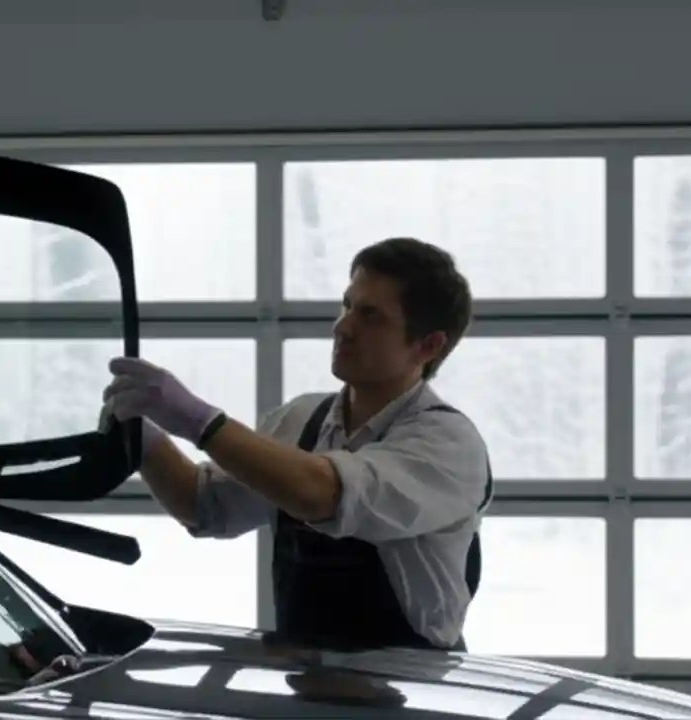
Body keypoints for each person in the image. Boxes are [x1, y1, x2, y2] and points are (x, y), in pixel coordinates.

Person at [101, 237, 492, 651]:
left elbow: (323, 493)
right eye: (346, 305)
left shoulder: (448, 445)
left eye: (371, 315)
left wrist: (198, 420)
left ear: (428, 345)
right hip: (303, 687)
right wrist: (142, 437)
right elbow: (205, 505)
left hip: (413, 693)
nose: (343, 326)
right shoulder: (300, 420)